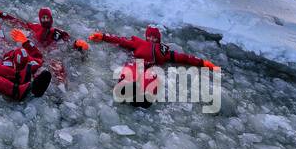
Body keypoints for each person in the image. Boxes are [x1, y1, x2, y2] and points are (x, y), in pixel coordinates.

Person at [88, 27, 218, 107]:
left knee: (150, 79)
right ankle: (125, 89)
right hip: (137, 63)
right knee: (132, 73)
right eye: (149, 36)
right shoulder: (139, 42)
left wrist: (201, 62)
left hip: (150, 68)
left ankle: (143, 98)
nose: (151, 38)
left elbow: (183, 57)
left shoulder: (163, 51)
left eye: (153, 37)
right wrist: (103, 36)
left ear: (158, 38)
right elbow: (120, 40)